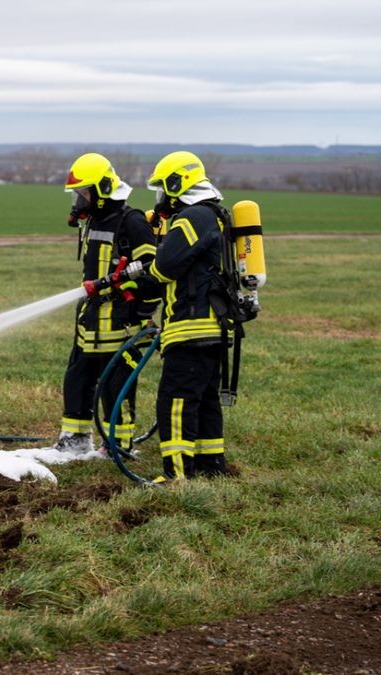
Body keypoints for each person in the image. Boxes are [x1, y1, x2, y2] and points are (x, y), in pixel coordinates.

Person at [54, 153, 160, 454]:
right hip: (90, 319)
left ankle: (117, 445)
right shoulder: (96, 220)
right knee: (78, 378)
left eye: (84, 192)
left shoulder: (132, 221)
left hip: (120, 322)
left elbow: (152, 267)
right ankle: (74, 440)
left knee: (116, 384)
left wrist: (135, 304)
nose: (80, 199)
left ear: (101, 191)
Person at [143, 150, 231, 480]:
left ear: (178, 183)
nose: (161, 197)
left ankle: (178, 475)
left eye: (163, 188)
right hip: (213, 325)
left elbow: (166, 267)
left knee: (176, 400)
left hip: (191, 326)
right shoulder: (214, 215)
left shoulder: (192, 218)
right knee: (205, 399)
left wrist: (151, 264)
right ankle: (212, 469)